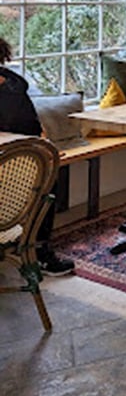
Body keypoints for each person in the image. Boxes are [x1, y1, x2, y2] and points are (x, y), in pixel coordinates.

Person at [0, 38, 75, 276]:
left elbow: (31, 118)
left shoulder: (13, 81)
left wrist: (43, 141)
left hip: (26, 155)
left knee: (51, 171)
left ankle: (39, 250)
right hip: (11, 155)